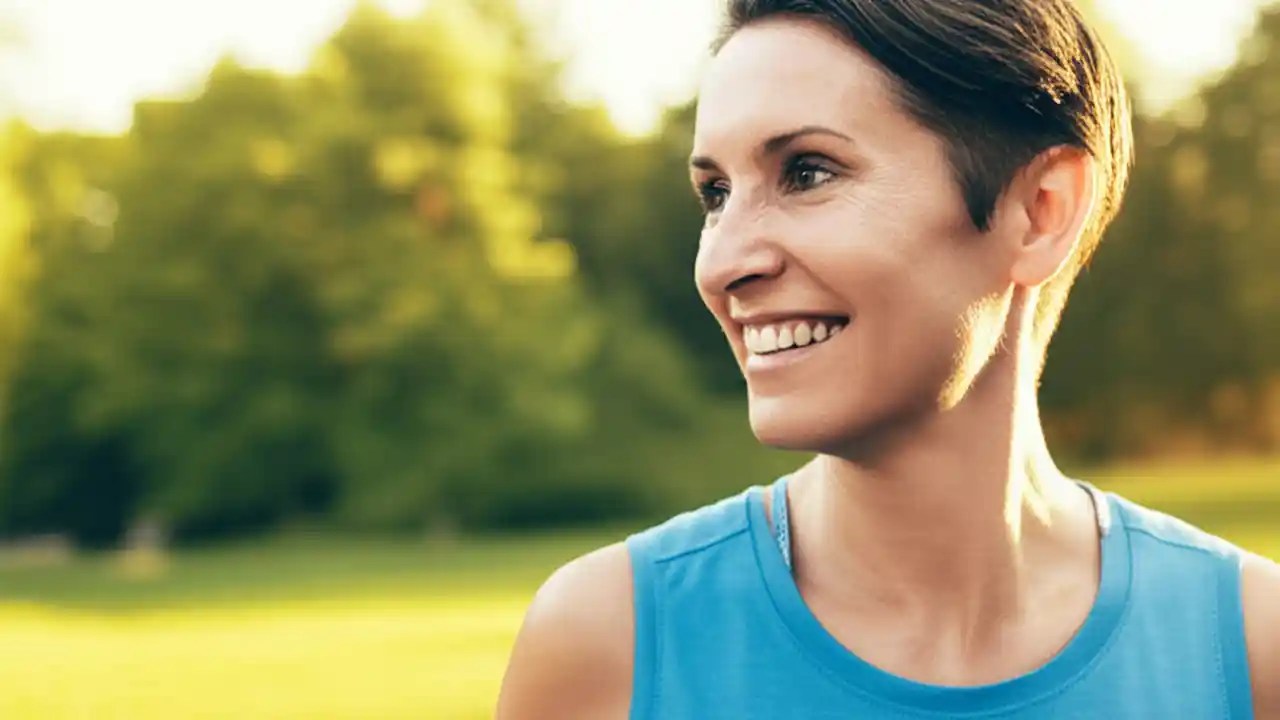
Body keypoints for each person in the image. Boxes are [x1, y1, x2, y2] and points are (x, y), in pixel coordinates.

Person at [496, 1, 1280, 717]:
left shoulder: (1250, 652)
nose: (722, 263)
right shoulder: (611, 645)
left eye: (807, 172)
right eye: (715, 194)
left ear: (1041, 213)